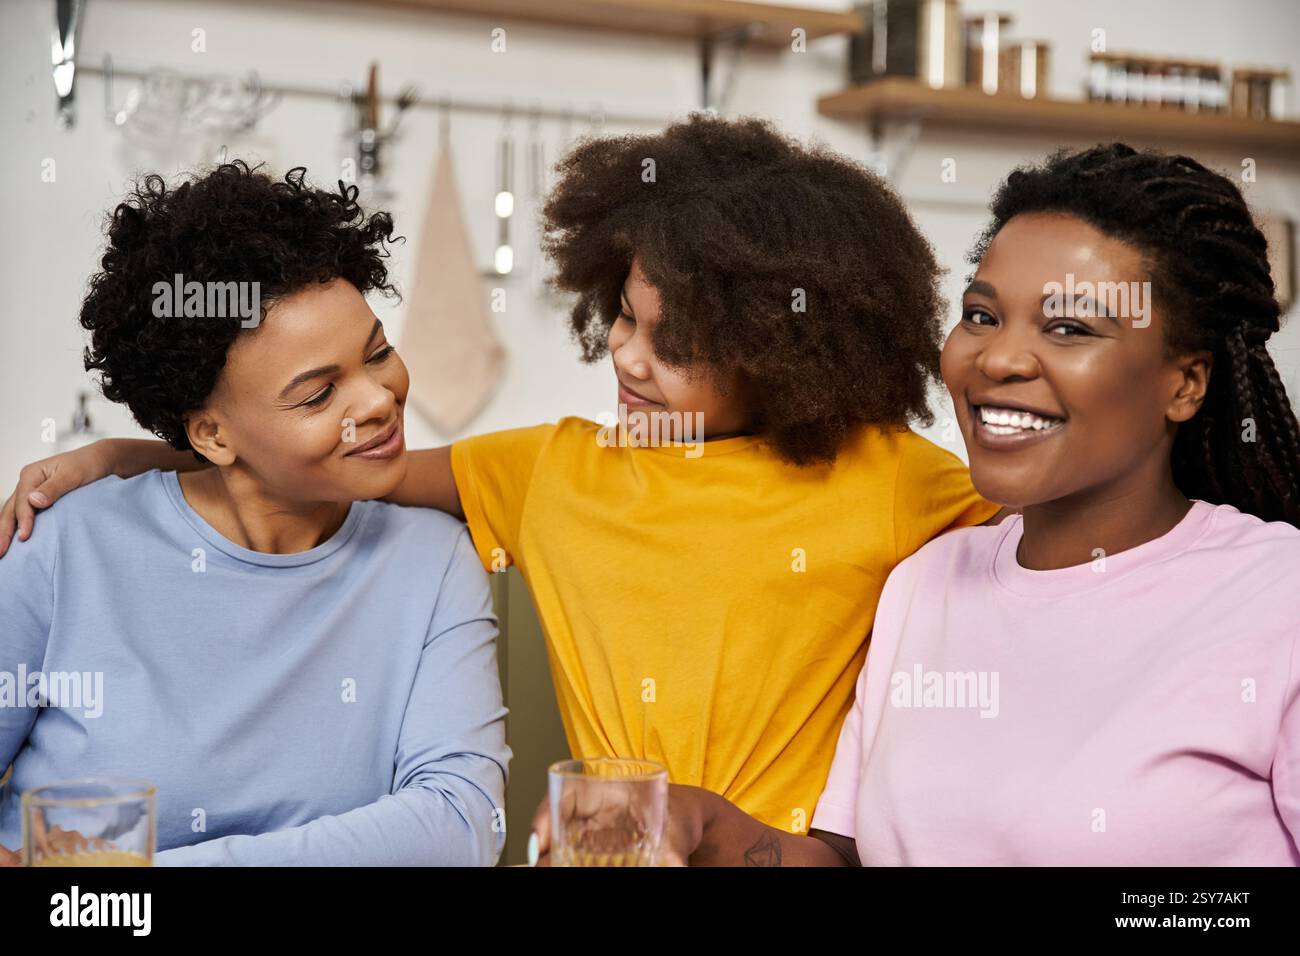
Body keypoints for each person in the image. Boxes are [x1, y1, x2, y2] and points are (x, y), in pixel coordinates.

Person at [1, 114, 999, 838]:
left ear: (786, 344)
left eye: (678, 341)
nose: (628, 358)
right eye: (623, 316)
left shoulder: (893, 477)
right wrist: (133, 456)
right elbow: (327, 468)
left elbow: (1079, 512)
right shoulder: (555, 469)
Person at [576, 143, 1300, 866]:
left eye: (1069, 328)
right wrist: (700, 822)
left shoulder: (1277, 597)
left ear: (1186, 383)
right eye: (982, 316)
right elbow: (840, 857)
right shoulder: (926, 584)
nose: (999, 359)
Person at [0, 162, 510, 865]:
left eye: (377, 353)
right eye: (317, 396)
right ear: (211, 434)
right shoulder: (61, 545)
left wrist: (124, 882)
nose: (378, 400)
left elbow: (460, 827)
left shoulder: (433, 560)